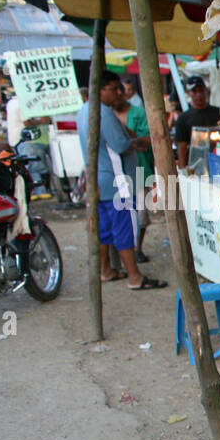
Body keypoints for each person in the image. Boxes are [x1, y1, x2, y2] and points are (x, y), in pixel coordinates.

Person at [76, 72, 166, 290]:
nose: (120, 92)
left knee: (105, 229)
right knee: (124, 229)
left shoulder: (83, 111)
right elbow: (120, 144)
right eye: (115, 88)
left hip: (100, 181)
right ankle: (134, 277)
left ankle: (105, 270)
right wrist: (136, 142)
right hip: (118, 182)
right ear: (101, 90)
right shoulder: (103, 113)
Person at [113, 92, 154, 262]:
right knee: (120, 212)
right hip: (116, 174)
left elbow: (146, 141)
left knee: (141, 214)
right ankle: (122, 252)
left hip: (140, 171)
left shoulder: (138, 113)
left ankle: (137, 248)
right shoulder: (106, 115)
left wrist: (123, 132)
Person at [173, 75, 220, 169]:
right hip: (195, 165)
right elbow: (182, 146)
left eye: (201, 90)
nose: (199, 95)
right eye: (195, 91)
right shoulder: (183, 118)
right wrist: (183, 169)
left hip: (219, 160)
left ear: (205, 91)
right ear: (188, 93)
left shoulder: (219, 113)